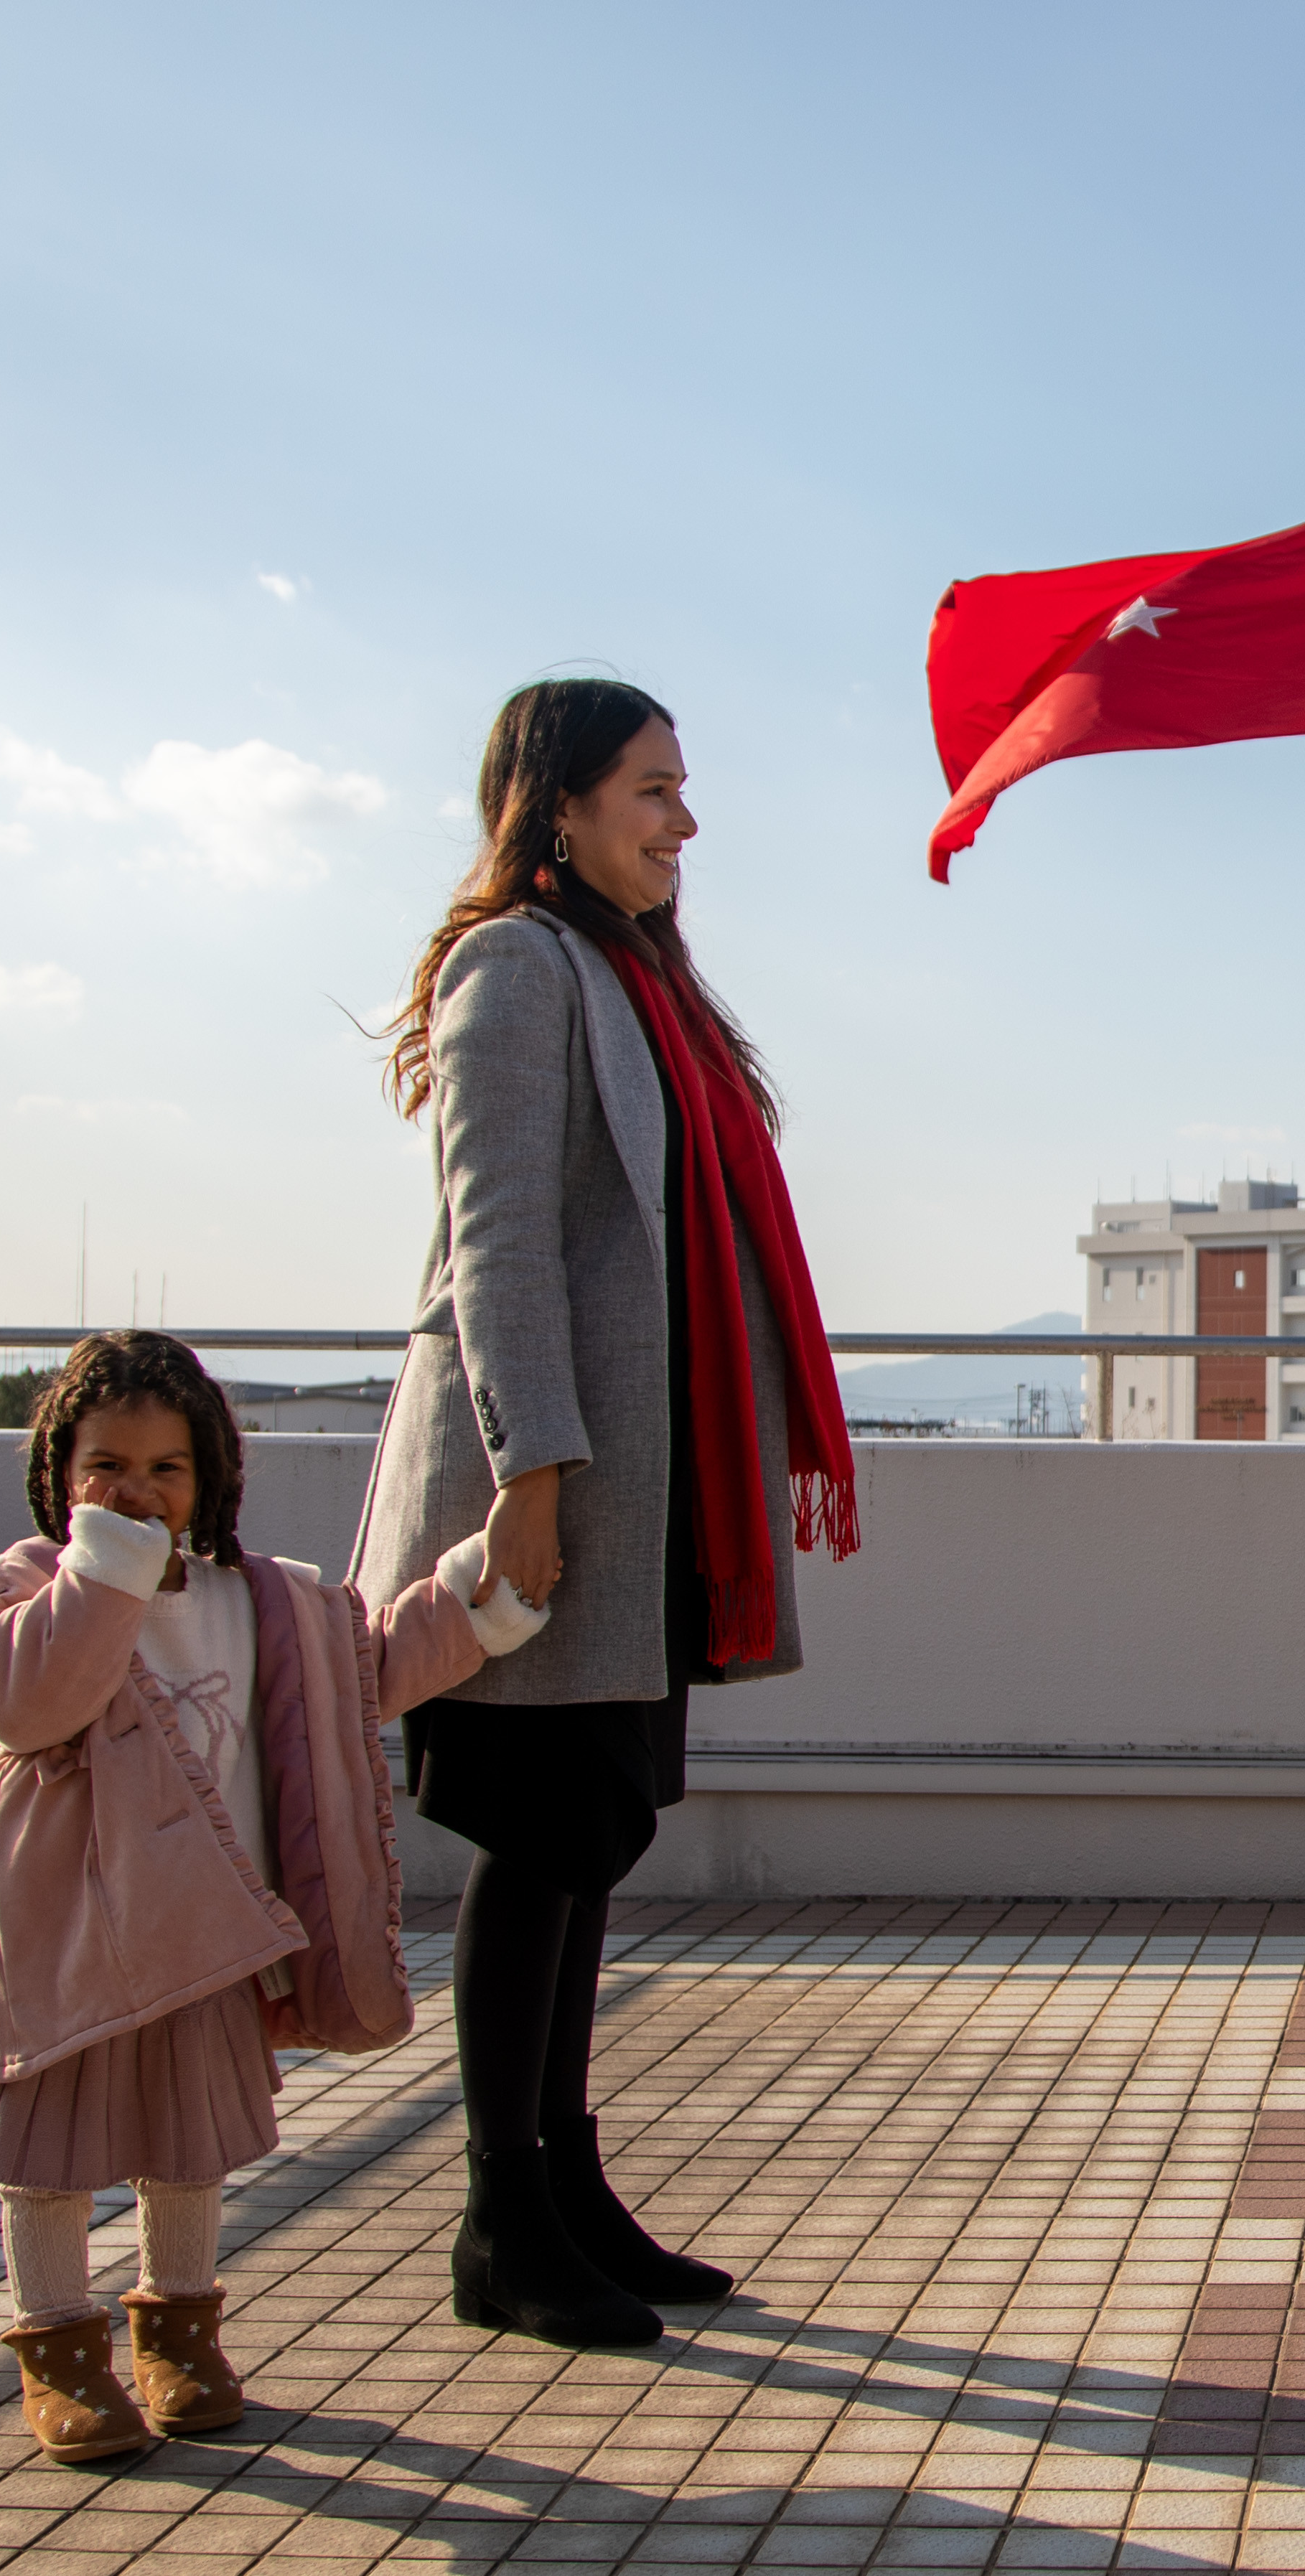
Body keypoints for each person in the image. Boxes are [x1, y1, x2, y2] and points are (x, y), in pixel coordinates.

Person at [355, 677, 859, 2352]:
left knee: (593, 1835)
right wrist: (529, 1482)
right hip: (551, 1487)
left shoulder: (636, 981)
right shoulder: (518, 966)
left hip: (645, 1489)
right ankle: (504, 2220)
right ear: (557, 803)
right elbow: (493, 1245)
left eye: (684, 788)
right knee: (536, 1837)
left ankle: (565, 2187)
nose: (686, 821)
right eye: (654, 788)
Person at [0, 1331, 542, 2463]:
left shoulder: (260, 1600)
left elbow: (358, 1668)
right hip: (66, 1942)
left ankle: (180, 2334)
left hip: (209, 1933)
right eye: (106, 1465)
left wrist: (475, 1601)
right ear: (57, 1472)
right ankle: (61, 2351)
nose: (134, 1490)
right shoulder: (16, 1589)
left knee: (186, 2145)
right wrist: (103, 1569)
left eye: (166, 1468)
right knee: (53, 2154)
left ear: (210, 1478)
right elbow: (33, 1704)